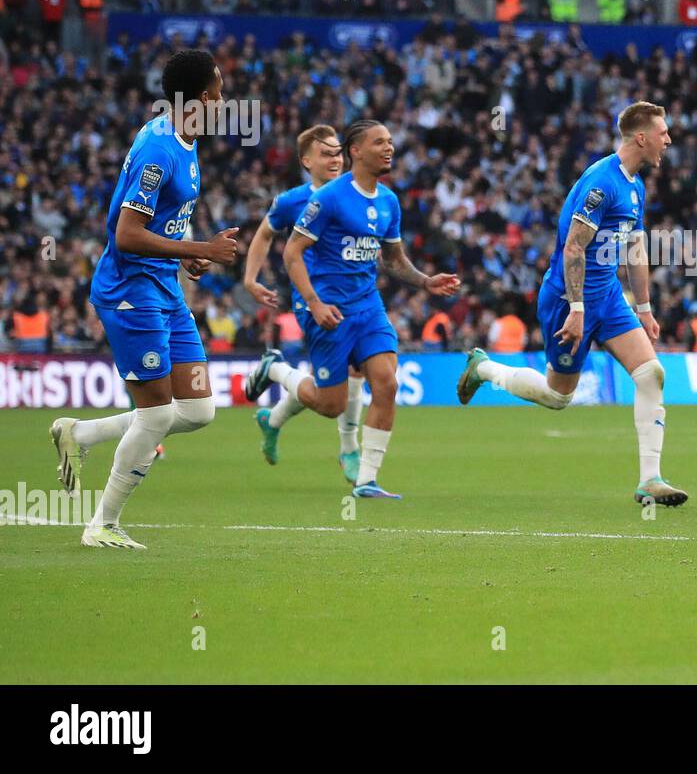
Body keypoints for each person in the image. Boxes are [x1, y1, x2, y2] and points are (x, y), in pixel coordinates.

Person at [49, 49, 239, 548]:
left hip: (164, 288)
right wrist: (202, 249)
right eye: (220, 90)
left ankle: (81, 435)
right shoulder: (160, 149)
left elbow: (160, 223)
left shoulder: (184, 138)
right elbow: (127, 235)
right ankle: (102, 525)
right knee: (155, 416)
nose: (226, 99)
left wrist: (186, 257)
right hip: (131, 293)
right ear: (202, 97)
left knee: (198, 411)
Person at [456, 101, 688, 507]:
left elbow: (634, 249)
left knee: (651, 373)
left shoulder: (634, 185)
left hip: (610, 299)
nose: (668, 139)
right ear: (641, 137)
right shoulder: (603, 184)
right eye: (663, 132)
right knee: (558, 396)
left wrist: (645, 308)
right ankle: (484, 367)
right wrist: (577, 310)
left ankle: (650, 480)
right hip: (569, 300)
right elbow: (574, 247)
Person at [245, 120, 460, 499]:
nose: (389, 148)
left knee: (387, 382)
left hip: (368, 307)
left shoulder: (389, 201)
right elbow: (291, 251)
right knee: (331, 405)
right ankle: (275, 369)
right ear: (356, 151)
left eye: (391, 142)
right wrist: (313, 303)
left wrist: (425, 281)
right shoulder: (326, 199)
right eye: (380, 142)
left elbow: (393, 260)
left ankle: (366, 480)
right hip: (329, 311)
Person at [243, 124, 367, 482]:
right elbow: (265, 234)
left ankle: (273, 405)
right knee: (348, 377)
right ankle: (349, 449)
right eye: (325, 153)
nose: (335, 159)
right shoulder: (292, 202)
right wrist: (251, 280)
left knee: (327, 386)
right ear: (306, 160)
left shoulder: (358, 192)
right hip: (315, 301)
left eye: (338, 152)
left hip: (355, 296)